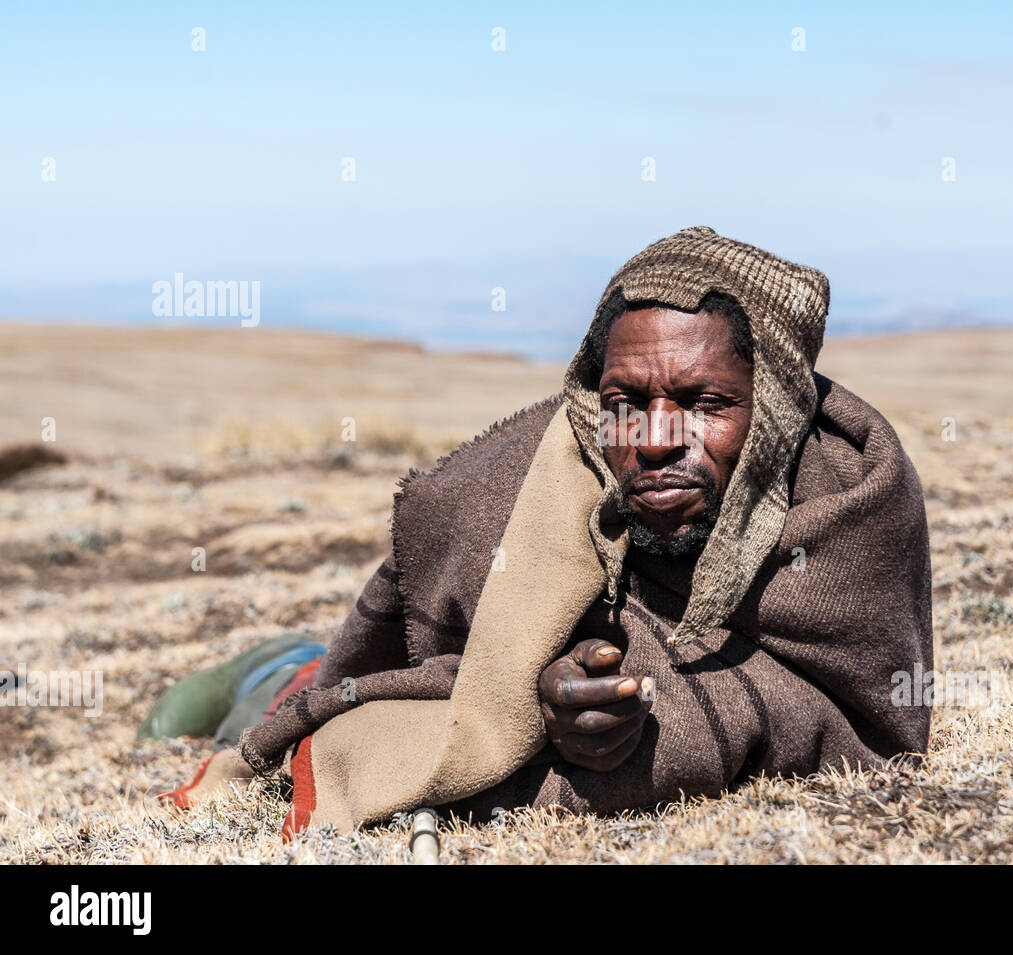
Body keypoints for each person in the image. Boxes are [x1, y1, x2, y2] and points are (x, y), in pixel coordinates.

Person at [157, 226, 933, 836]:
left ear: (772, 412)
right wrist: (533, 683)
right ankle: (262, 663)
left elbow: (863, 713)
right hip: (314, 676)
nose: (654, 438)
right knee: (177, 717)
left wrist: (632, 703)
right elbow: (415, 666)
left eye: (703, 402)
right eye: (625, 399)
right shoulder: (527, 483)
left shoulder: (850, 497)